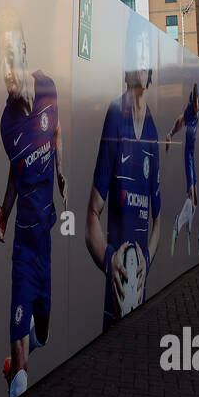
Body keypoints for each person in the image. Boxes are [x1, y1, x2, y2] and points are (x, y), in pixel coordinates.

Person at [0, 9, 66, 397]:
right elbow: (15, 171)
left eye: (9, 54)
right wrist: (3, 213)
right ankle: (16, 381)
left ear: (23, 50)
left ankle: (22, 355)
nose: (5, 67)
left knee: (43, 335)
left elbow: (55, 128)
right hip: (23, 248)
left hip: (45, 243)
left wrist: (61, 169)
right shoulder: (6, 124)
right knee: (22, 368)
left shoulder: (48, 87)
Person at [85, 19, 161, 330]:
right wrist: (110, 259)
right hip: (115, 294)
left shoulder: (154, 132)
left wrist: (146, 258)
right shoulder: (116, 116)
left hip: (140, 289)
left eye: (146, 50)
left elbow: (158, 219)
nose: (141, 57)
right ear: (125, 69)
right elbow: (91, 215)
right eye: (135, 50)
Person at [164, 82, 199, 257]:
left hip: (193, 154)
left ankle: (185, 224)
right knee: (192, 195)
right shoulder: (188, 110)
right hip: (188, 154)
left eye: (197, 105)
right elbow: (179, 121)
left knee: (195, 201)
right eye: (194, 105)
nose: (196, 108)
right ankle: (180, 223)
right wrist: (170, 134)